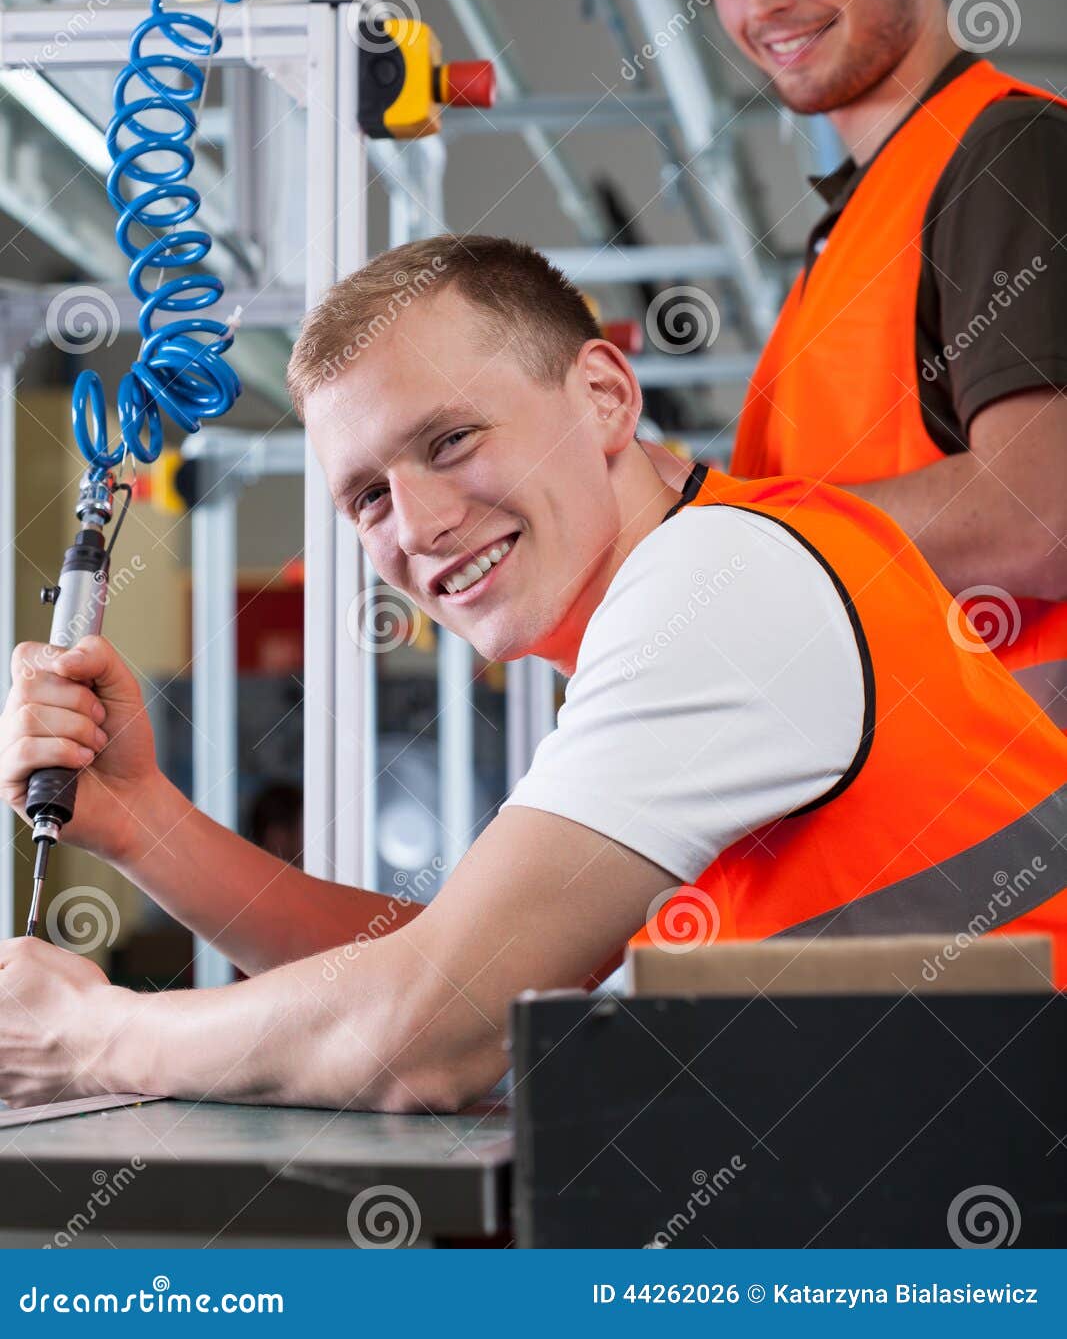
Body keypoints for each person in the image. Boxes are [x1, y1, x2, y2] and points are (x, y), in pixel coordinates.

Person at [0, 237, 1064, 1113]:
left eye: (451, 438)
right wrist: (142, 820)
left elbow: (427, 1032)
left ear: (603, 395)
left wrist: (94, 1037)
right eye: (367, 497)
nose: (417, 525)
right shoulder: (724, 556)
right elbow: (475, 963)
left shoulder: (716, 590)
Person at [672, 0, 1067, 720]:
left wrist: (712, 524)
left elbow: (1038, 519)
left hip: (1007, 823)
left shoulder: (1004, 151)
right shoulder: (848, 230)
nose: (759, 1)